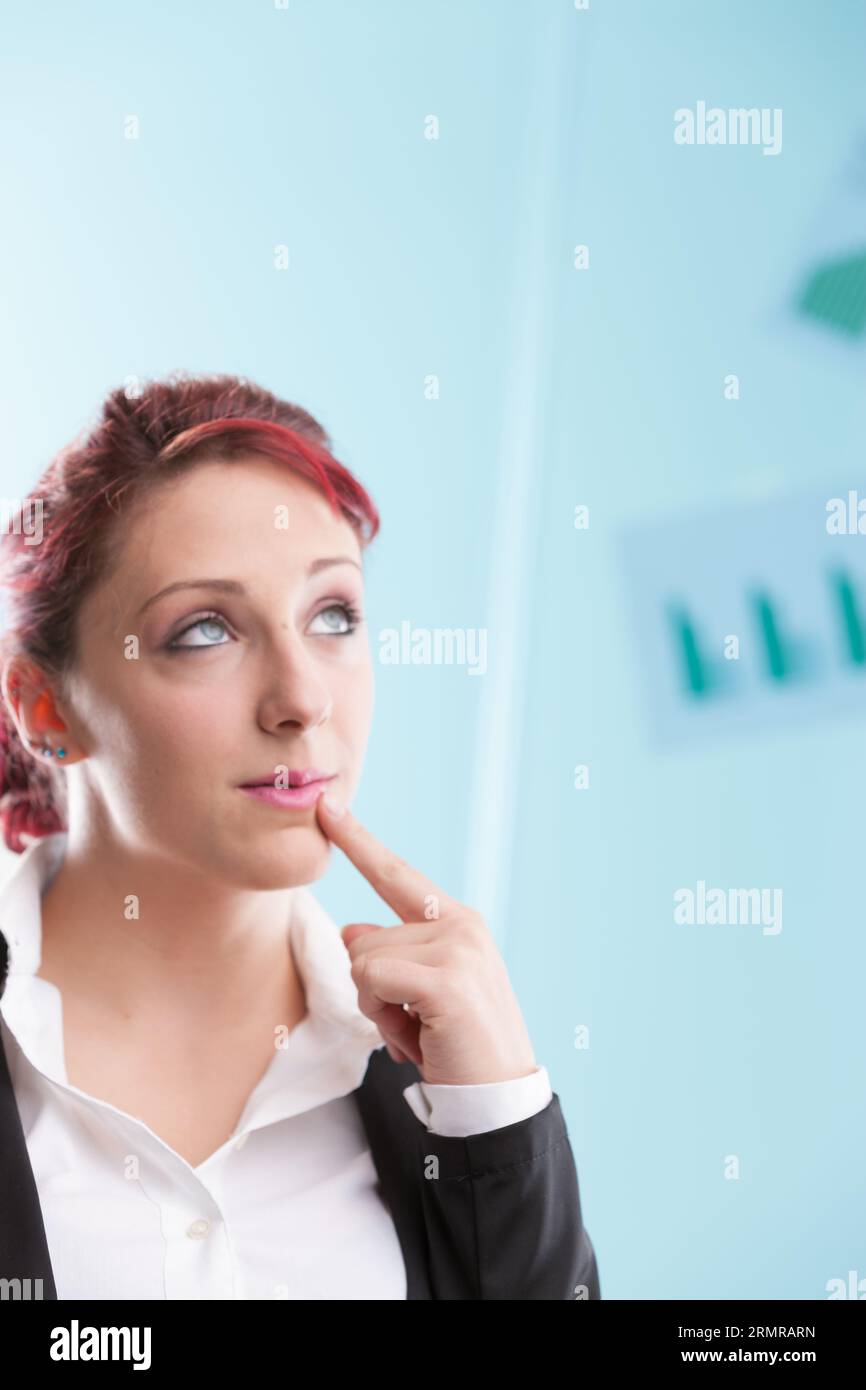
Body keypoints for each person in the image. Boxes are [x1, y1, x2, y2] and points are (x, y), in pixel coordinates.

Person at [0, 372, 600, 1300]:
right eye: (205, 631)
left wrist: (500, 1125)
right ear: (45, 706)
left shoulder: (442, 1076)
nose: (303, 699)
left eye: (334, 616)